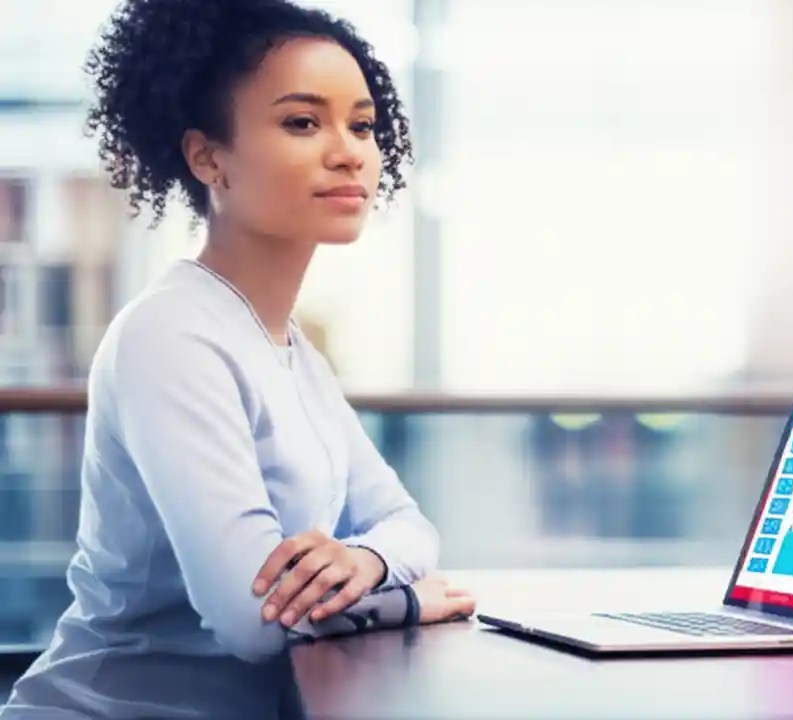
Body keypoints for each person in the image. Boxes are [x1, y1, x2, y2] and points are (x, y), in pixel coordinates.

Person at [2, 0, 473, 715]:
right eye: (302, 122)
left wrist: (366, 559)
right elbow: (254, 621)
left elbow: (410, 525)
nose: (349, 151)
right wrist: (405, 600)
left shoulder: (289, 349)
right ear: (207, 157)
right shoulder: (170, 337)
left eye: (362, 125)